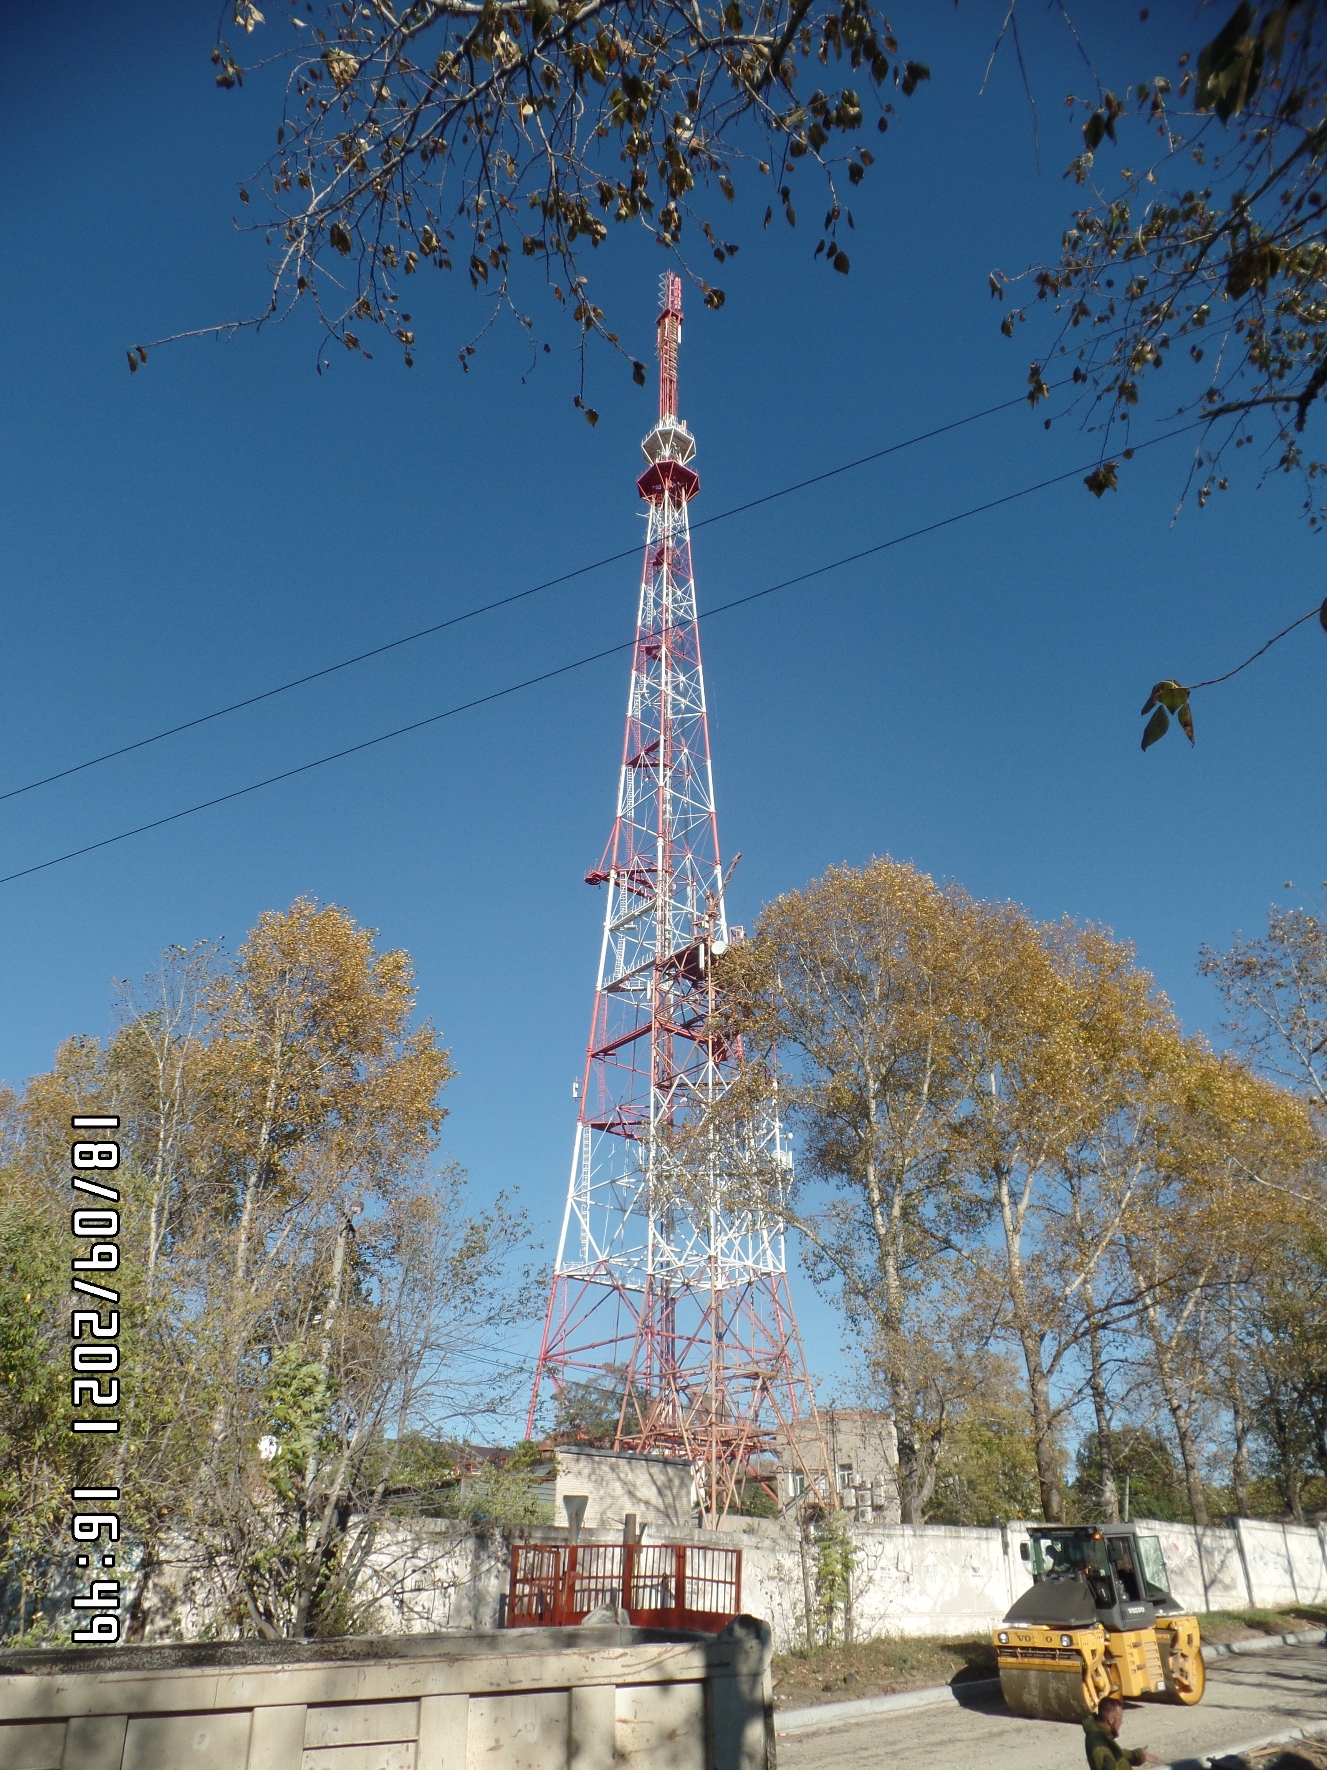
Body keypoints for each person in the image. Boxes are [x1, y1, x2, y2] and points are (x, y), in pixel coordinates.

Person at [1082, 1697, 1159, 1770]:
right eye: (1119, 1718)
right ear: (1111, 1720)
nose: (1121, 1722)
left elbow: (1117, 1754)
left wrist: (1139, 1755)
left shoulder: (1102, 1735)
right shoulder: (1099, 1746)